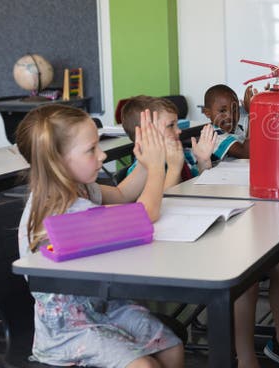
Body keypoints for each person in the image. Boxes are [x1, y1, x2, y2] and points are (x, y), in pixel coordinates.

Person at [15, 104, 184, 368]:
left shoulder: (79, 187)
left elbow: (121, 195)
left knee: (171, 348)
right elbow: (145, 213)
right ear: (57, 161)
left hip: (102, 305)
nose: (103, 155)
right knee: (144, 366)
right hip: (67, 328)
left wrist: (143, 164)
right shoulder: (66, 210)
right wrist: (157, 168)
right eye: (91, 149)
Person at [200, 84, 279, 368]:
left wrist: (252, 114)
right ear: (206, 114)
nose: (230, 115)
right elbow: (250, 151)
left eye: (234, 108)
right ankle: (245, 357)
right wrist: (256, 112)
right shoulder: (217, 136)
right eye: (221, 110)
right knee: (248, 279)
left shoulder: (236, 131)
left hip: (241, 216)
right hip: (220, 228)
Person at [121, 95, 217, 187]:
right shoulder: (142, 171)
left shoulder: (181, 155)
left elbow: (193, 185)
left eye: (177, 124)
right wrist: (174, 168)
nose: (179, 131)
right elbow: (160, 201)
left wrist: (203, 161)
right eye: (170, 125)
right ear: (146, 133)